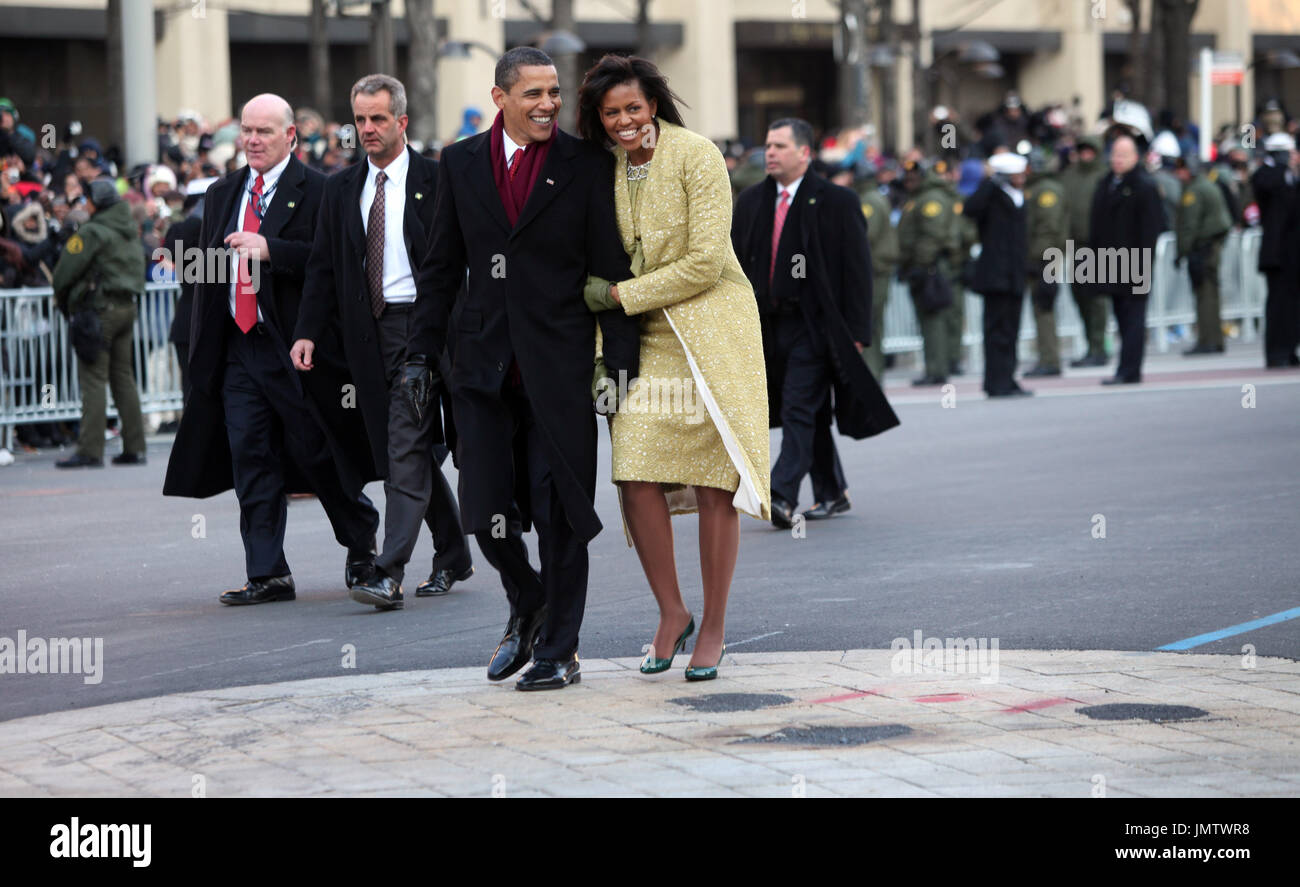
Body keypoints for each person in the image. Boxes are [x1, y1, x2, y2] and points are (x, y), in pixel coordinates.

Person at [408, 48, 640, 690]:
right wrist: (421, 356)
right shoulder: (458, 163)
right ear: (500, 97)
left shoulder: (587, 165)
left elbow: (611, 269)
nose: (548, 105)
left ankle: (559, 649)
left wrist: (620, 362)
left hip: (559, 373)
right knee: (484, 512)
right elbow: (439, 268)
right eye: (534, 93)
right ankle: (528, 599)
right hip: (480, 372)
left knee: (561, 513)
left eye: (555, 93)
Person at [576, 55, 770, 681]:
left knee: (716, 483)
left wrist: (616, 295)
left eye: (634, 108)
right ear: (600, 120)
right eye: (613, 113)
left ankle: (713, 626)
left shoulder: (697, 155)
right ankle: (671, 612)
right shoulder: (598, 167)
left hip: (711, 330)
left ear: (653, 105)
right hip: (641, 342)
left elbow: (706, 263)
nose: (626, 121)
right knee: (635, 474)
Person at [163, 93, 380, 606]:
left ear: (291, 137)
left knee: (317, 453)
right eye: (247, 130)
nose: (253, 139)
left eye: (264, 131)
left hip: (296, 347)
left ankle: (361, 544)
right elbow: (213, 268)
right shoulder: (222, 192)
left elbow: (336, 263)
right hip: (241, 346)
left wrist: (272, 251)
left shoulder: (322, 191)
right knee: (250, 456)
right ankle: (268, 572)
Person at [293, 74, 474, 612]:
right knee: (406, 446)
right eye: (360, 120)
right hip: (370, 334)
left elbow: (462, 262)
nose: (367, 129)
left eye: (377, 119)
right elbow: (323, 267)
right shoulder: (340, 188)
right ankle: (452, 553)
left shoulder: (439, 180)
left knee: (404, 444)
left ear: (402, 121)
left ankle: (388, 570)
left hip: (430, 330)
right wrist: (306, 331)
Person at [733, 117, 899, 529]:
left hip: (815, 325)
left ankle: (781, 494)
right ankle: (831, 492)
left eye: (780, 146)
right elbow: (735, 265)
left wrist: (858, 333)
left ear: (805, 153)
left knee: (798, 407)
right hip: (768, 326)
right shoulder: (752, 201)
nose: (770, 153)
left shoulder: (837, 201)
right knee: (808, 409)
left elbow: (858, 272)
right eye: (768, 145)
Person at [51, 178, 148, 467]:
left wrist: (65, 297)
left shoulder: (92, 231)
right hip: (126, 308)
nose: (84, 203)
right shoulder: (128, 229)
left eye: (87, 199)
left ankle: (90, 451)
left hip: (98, 310)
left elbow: (64, 272)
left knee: (93, 379)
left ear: (97, 202)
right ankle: (135, 446)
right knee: (123, 377)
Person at [1089, 133, 1166, 385]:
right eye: (1115, 155)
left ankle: (1129, 370)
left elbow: (1150, 229)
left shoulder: (1144, 186)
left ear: (1135, 157)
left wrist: (1144, 263)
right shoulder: (1106, 184)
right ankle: (1125, 367)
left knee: (1133, 319)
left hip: (1134, 262)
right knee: (1121, 316)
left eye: (1124, 155)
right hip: (1110, 261)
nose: (1118, 160)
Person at [964, 152, 1032, 397]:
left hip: (1015, 273)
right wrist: (990, 183)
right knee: (996, 331)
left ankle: (1009, 377)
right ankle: (995, 381)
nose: (1022, 178)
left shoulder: (1019, 197)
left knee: (1011, 330)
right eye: (1017, 173)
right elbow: (969, 209)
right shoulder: (991, 195)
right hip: (995, 275)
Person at [897, 160, 957, 385]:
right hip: (922, 265)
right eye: (907, 177)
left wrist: (921, 265)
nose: (909, 181)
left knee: (933, 318)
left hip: (930, 267)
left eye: (914, 177)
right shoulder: (919, 197)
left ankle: (937, 368)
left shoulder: (930, 198)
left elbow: (932, 235)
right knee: (928, 319)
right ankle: (934, 367)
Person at [1173, 154, 1232, 355]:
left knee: (1204, 294)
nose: (1179, 173)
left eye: (1182, 168)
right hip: (1210, 245)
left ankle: (1207, 339)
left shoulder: (1195, 191)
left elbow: (1190, 225)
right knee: (1211, 293)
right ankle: (1214, 338)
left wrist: (1181, 251)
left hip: (1203, 247)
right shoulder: (1204, 185)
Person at [1251, 132, 1300, 368]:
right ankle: (1276, 352)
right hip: (1277, 253)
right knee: (1279, 304)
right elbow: (1263, 185)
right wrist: (1282, 168)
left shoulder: (1290, 176)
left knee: (1293, 305)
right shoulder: (1268, 175)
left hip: (1293, 253)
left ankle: (1290, 348)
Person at [1060, 136, 1108, 366]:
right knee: (1080, 296)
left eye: (1090, 151)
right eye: (1083, 151)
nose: (1086, 155)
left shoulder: (1105, 176)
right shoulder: (1069, 177)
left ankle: (1099, 346)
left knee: (1098, 299)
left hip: (1099, 246)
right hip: (1075, 246)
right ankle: (1091, 343)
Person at [1024, 152, 1068, 377]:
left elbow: (1049, 228)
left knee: (1044, 308)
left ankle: (1050, 360)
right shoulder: (1040, 188)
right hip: (1044, 256)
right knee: (1042, 308)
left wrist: (1037, 257)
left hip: (1045, 259)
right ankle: (1047, 357)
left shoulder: (1046, 190)